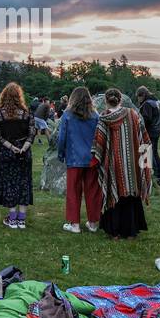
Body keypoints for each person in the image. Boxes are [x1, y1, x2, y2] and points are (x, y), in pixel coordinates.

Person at [93, 88, 151, 240]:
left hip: (113, 163)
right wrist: (145, 160)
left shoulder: (104, 117)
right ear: (120, 100)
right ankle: (131, 231)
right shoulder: (133, 114)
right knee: (131, 193)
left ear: (106, 101)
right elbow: (143, 137)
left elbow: (99, 144)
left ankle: (115, 232)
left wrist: (97, 160)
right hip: (132, 164)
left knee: (115, 193)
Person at [57, 86, 101, 233]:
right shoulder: (95, 115)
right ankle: (93, 223)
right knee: (93, 191)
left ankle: (74, 224)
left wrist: (60, 153)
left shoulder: (67, 115)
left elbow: (61, 137)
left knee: (73, 191)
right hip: (92, 158)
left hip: (74, 157)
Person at [0, 82, 35, 229]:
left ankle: (12, 219)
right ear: (19, 96)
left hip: (6, 152)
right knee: (24, 183)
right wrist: (23, 147)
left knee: (9, 183)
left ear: (4, 96)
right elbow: (32, 133)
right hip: (24, 151)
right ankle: (21, 220)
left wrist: (11, 147)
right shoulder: (26, 113)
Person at [135, 86, 160, 166]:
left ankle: (155, 172)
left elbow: (147, 119)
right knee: (154, 151)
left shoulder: (147, 103)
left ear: (143, 95)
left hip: (150, 130)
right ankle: (157, 171)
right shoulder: (158, 101)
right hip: (157, 129)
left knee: (148, 152)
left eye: (138, 96)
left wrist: (142, 129)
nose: (138, 99)